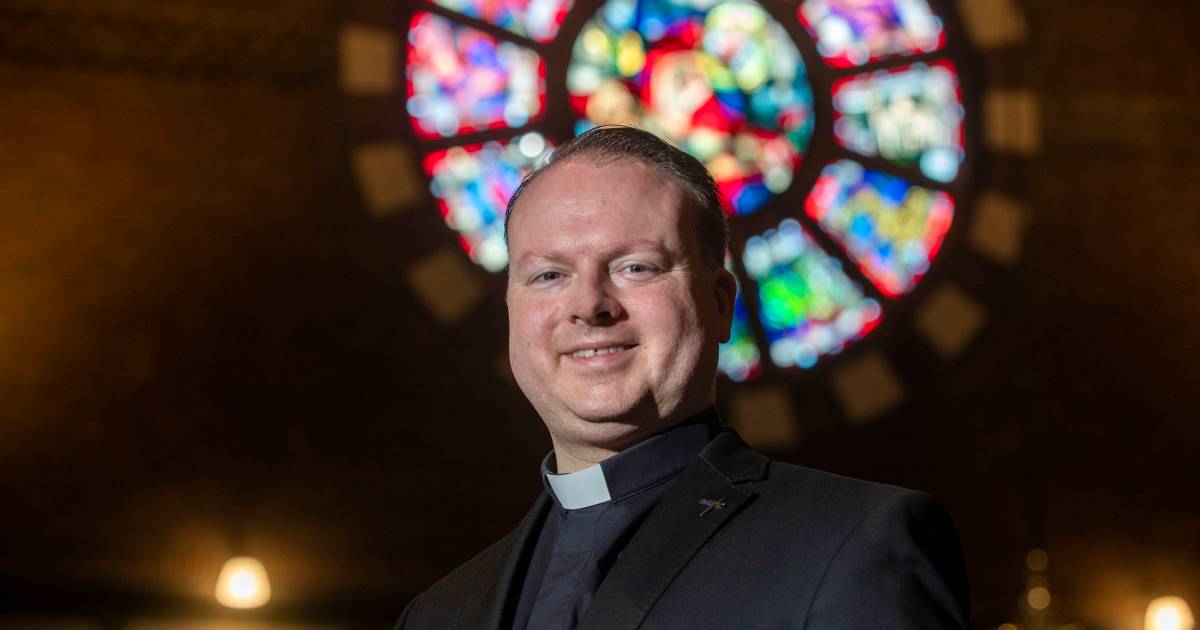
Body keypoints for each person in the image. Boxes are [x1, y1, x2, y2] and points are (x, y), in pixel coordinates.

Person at [396, 126, 969, 629]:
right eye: (548, 275)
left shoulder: (854, 546)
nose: (589, 305)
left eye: (635, 267)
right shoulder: (439, 613)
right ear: (512, 312)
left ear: (720, 304)